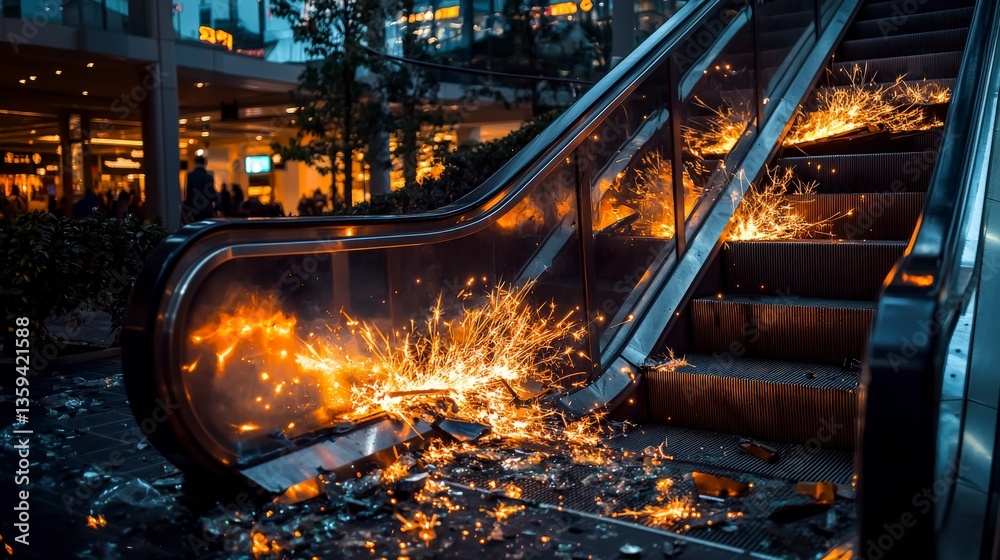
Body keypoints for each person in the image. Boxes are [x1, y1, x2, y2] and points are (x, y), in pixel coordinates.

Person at [183, 155, 217, 222]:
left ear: (195, 163)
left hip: (195, 210)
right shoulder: (209, 177)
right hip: (207, 209)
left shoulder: (190, 176)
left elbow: (188, 194)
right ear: (205, 163)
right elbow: (212, 194)